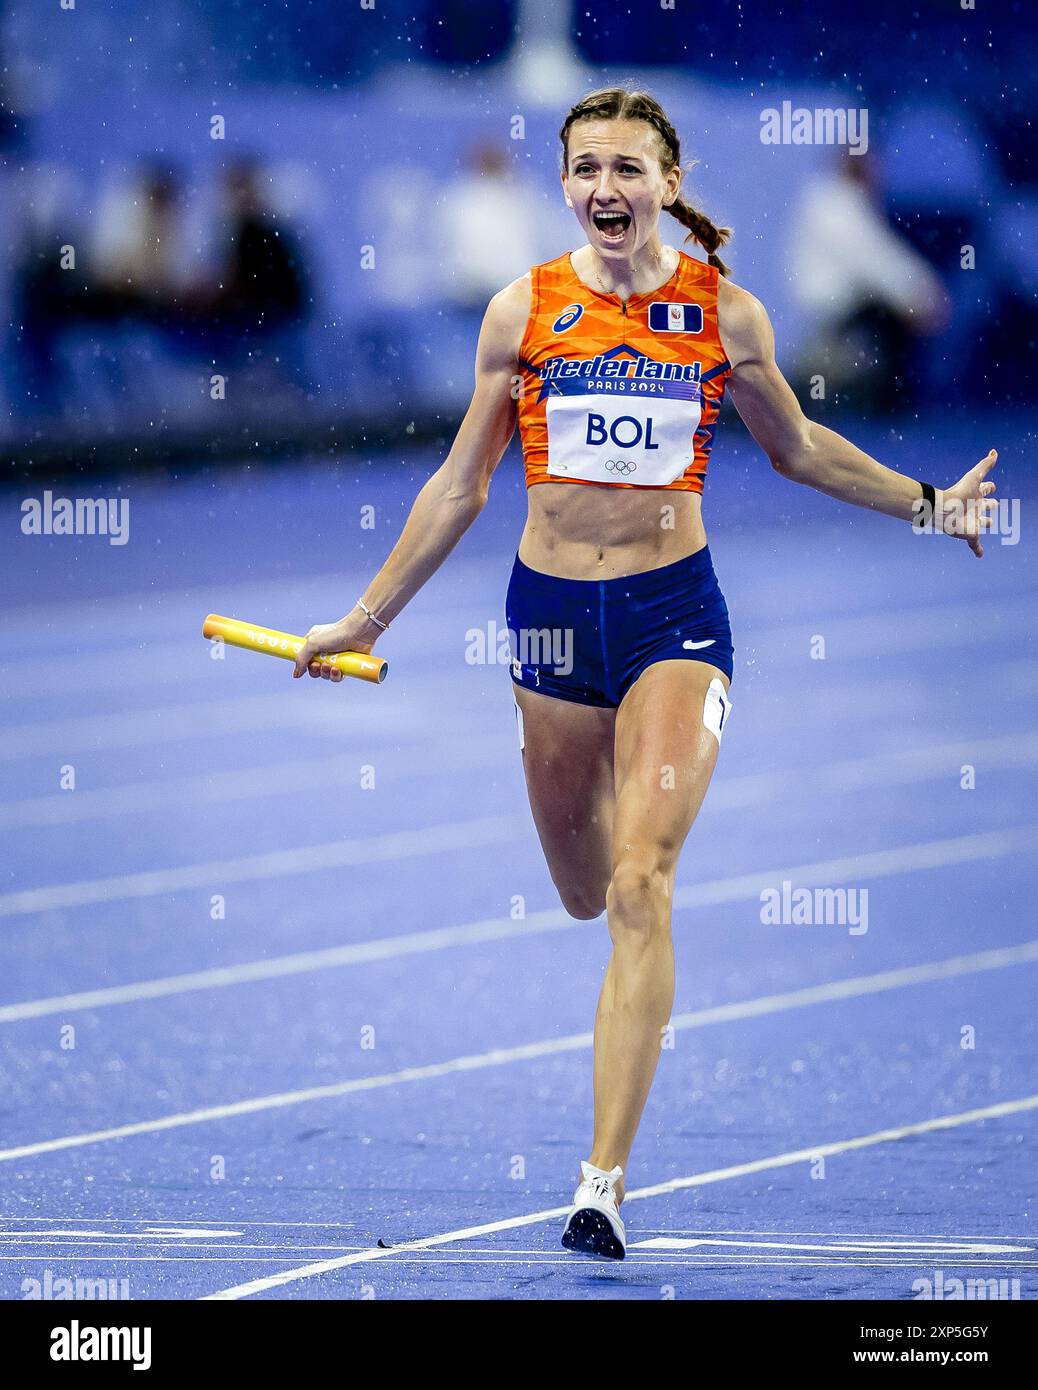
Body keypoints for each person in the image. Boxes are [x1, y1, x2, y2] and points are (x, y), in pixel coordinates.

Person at [290, 88, 998, 1260]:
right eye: (586, 169)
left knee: (640, 887)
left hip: (677, 617)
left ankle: (601, 1183)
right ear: (564, 185)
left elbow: (800, 449)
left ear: (669, 183)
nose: (606, 188)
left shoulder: (727, 315)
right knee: (581, 884)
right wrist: (360, 618)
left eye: (628, 167)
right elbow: (460, 487)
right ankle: (613, 852)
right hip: (553, 628)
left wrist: (925, 504)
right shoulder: (524, 309)